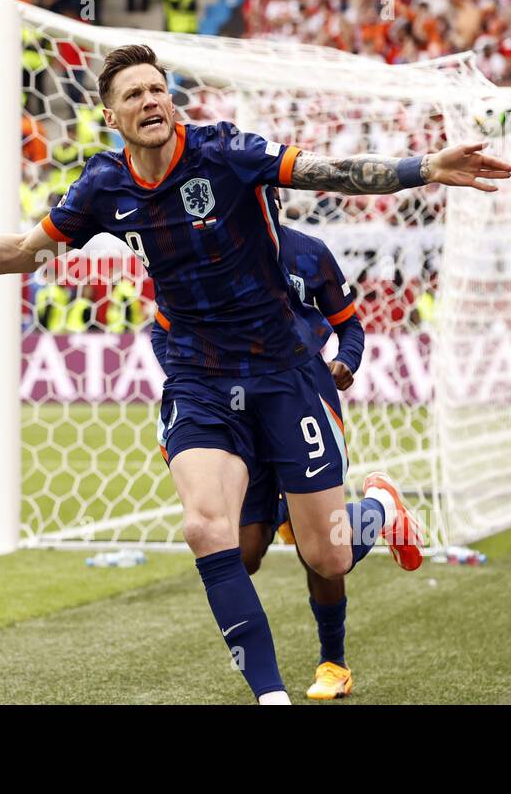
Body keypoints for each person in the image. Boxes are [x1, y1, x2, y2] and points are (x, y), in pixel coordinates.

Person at [0, 43, 511, 702]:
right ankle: (271, 696)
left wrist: (426, 166)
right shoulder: (103, 187)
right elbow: (26, 251)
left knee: (328, 556)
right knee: (209, 530)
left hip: (283, 372)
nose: (151, 101)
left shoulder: (227, 153)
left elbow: (334, 172)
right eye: (135, 95)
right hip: (199, 377)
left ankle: (376, 509)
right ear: (111, 116)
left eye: (158, 89)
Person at [151, 223, 366, 699]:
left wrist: (345, 361)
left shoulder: (308, 253)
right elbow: (162, 331)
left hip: (298, 397)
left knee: (324, 556)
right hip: (230, 412)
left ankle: (334, 660)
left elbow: (349, 323)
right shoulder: (197, 254)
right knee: (243, 553)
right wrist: (189, 378)